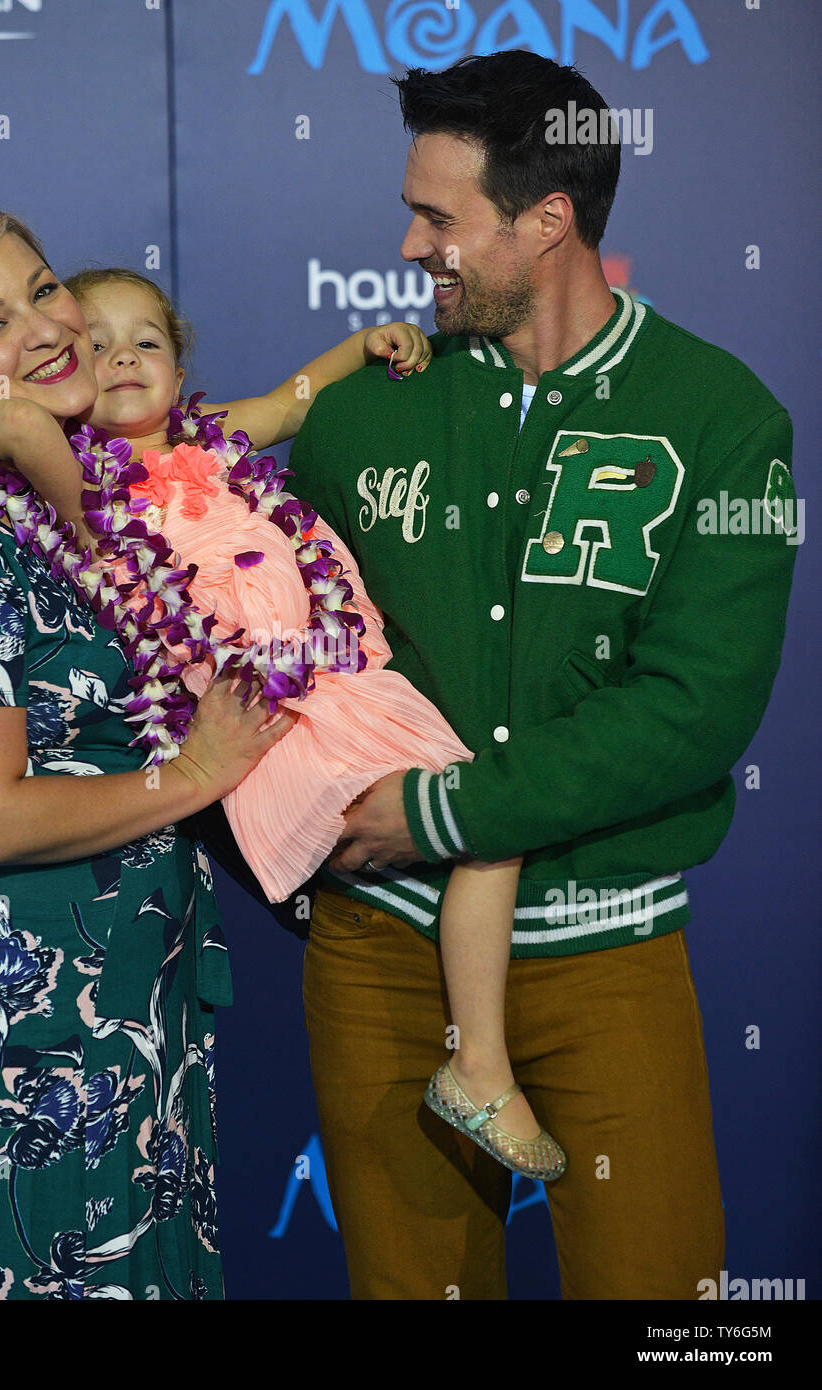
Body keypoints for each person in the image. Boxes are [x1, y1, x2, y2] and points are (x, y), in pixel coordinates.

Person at [288, 51, 798, 1299]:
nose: (409, 244)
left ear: (547, 221)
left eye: (439, 216)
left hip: (602, 949)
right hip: (379, 957)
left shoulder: (723, 418)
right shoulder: (361, 410)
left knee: (665, 1297)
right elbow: (284, 648)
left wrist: (439, 812)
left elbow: (693, 711)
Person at [0, 265, 566, 1181]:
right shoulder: (79, 487)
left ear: (181, 374)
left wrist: (367, 343)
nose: (123, 358)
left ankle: (478, 1058)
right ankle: (476, 1062)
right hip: (260, 721)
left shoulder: (213, 446)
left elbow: (295, 399)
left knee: (482, 826)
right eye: (96, 345)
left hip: (336, 687)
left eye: (148, 342)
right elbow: (11, 426)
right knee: (428, 845)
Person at [0, 205, 298, 1302]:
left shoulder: (101, 501)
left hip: (131, 1014)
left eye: (43, 289)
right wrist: (188, 777)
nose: (46, 328)